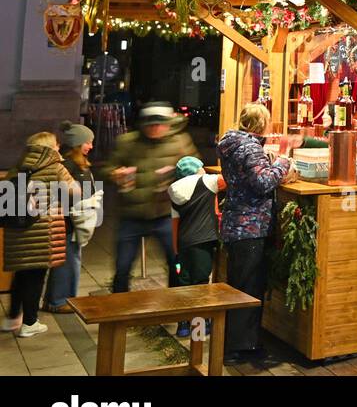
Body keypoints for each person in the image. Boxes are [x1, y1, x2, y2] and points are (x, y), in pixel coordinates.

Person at [218, 102, 296, 363]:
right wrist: (283, 161)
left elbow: (246, 176)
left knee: (239, 283)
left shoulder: (231, 143)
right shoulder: (250, 147)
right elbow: (263, 183)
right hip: (250, 225)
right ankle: (239, 348)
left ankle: (239, 343)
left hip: (235, 221)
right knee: (248, 286)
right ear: (261, 123)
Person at [101, 102, 198, 293]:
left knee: (176, 261)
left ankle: (175, 302)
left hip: (164, 214)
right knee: (122, 266)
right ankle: (119, 308)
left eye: (158, 124)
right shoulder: (127, 142)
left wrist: (176, 175)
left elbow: (195, 169)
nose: (154, 129)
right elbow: (106, 169)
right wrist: (115, 174)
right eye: (150, 125)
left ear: (167, 124)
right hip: (131, 214)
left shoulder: (179, 142)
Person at [2, 133, 78, 337]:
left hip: (17, 231)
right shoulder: (55, 166)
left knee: (21, 275)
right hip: (41, 232)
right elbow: (76, 192)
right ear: (50, 148)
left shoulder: (19, 166)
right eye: (56, 145)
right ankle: (30, 323)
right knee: (36, 277)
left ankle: (12, 319)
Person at [43, 122, 102, 314]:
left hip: (72, 220)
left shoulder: (78, 164)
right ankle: (59, 300)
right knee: (68, 260)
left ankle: (56, 298)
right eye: (88, 142)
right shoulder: (68, 166)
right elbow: (67, 195)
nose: (91, 146)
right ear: (77, 143)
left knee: (69, 258)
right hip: (67, 221)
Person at [168, 155, 223, 337]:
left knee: (184, 281)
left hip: (184, 243)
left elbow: (175, 223)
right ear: (196, 170)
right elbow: (231, 180)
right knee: (201, 282)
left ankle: (183, 324)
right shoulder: (206, 181)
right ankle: (199, 328)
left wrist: (175, 250)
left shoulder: (174, 190)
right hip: (202, 241)